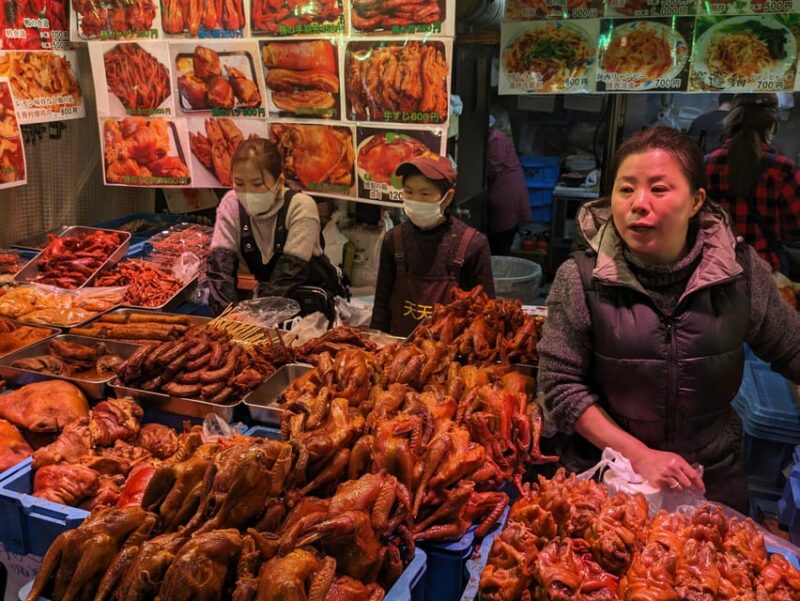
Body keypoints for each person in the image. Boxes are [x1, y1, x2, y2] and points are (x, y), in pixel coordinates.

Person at [538, 126, 800, 513]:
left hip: (710, 482)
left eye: (659, 189)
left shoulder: (740, 274)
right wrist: (639, 455)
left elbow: (792, 348)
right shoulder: (580, 278)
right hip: (610, 482)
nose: (639, 203)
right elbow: (559, 387)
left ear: (696, 201)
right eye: (626, 189)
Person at [206, 137, 345, 315]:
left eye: (257, 184)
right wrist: (227, 317)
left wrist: (258, 318)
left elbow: (288, 275)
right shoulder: (231, 204)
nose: (248, 193)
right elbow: (220, 268)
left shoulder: (301, 206)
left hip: (309, 305)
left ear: (279, 182)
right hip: (265, 302)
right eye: (239, 183)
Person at [370, 154, 495, 336]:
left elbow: (487, 312)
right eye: (409, 192)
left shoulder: (473, 243)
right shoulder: (393, 239)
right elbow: (382, 303)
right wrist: (377, 340)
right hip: (399, 352)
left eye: (425, 194)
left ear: (448, 197)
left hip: (451, 355)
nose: (415, 200)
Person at [705, 93, 800, 272]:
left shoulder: (706, 165)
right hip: (766, 272)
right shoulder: (783, 169)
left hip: (716, 271)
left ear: (732, 120)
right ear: (772, 124)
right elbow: (795, 230)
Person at [486, 118, 531, 255]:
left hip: (506, 191)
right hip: (504, 189)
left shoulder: (495, 138)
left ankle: (499, 272)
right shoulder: (494, 136)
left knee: (501, 239)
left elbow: (493, 167)